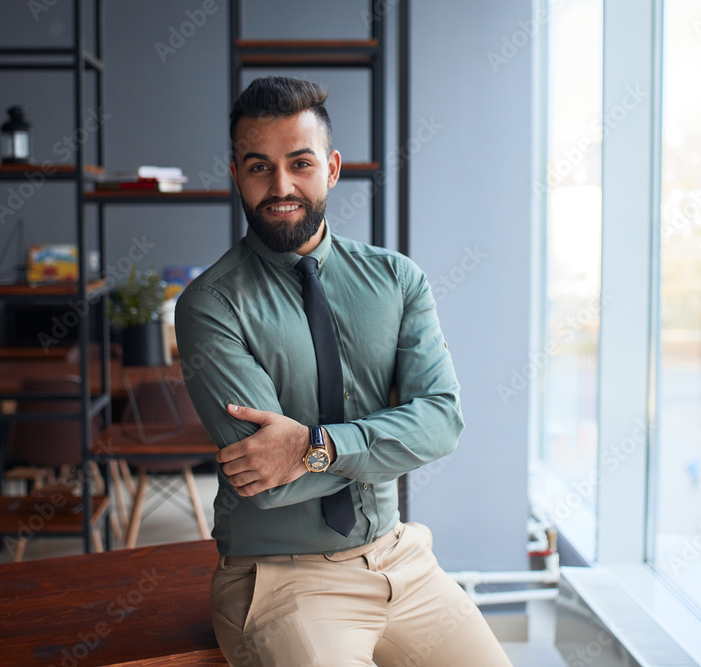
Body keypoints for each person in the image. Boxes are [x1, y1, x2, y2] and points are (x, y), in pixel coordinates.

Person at [175, 76, 511, 667]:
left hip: (402, 559)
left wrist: (316, 445)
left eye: (299, 163)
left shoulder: (397, 279)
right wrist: (388, 440)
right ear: (236, 175)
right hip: (284, 582)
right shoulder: (210, 303)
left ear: (331, 168)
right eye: (259, 167)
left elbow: (442, 422)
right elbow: (268, 476)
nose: (281, 187)